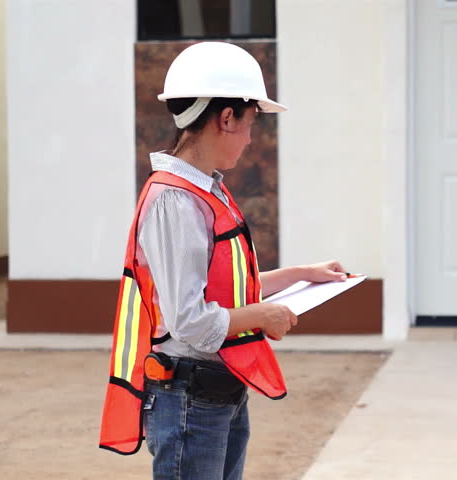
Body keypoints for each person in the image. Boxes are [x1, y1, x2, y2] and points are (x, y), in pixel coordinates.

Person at [98, 42, 349, 480]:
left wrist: (302, 275)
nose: (252, 139)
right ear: (226, 117)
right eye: (250, 123)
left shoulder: (203, 190)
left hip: (216, 391)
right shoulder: (175, 201)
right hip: (188, 399)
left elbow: (226, 288)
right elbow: (191, 321)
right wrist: (263, 316)